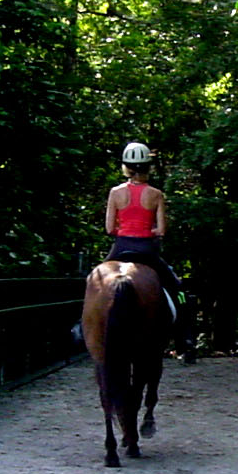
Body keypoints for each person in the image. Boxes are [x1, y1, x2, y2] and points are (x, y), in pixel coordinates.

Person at [104, 141, 195, 361]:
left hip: (121, 246)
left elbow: (109, 229)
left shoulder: (115, 193)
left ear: (126, 167)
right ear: (148, 166)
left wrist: (124, 230)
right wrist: (146, 230)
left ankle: (80, 326)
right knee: (176, 288)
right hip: (146, 249)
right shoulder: (156, 194)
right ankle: (184, 338)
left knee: (94, 281)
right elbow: (161, 230)